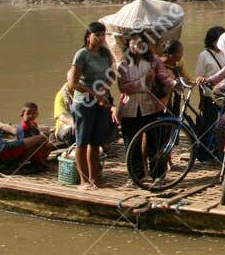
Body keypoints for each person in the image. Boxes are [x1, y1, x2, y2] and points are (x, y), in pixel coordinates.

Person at [115, 31, 174, 179]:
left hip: (152, 106)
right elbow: (123, 87)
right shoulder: (123, 64)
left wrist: (174, 83)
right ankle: (137, 176)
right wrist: (143, 81)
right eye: (133, 43)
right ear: (128, 46)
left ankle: (158, 175)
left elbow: (163, 76)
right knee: (132, 145)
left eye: (140, 43)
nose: (137, 46)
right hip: (130, 109)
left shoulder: (154, 60)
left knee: (155, 143)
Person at [67, 21, 115, 190]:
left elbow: (111, 76)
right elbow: (73, 83)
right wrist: (95, 94)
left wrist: (104, 91)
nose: (101, 38)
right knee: (82, 141)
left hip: (101, 102)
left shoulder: (105, 54)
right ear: (89, 36)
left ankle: (95, 179)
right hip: (84, 103)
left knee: (96, 142)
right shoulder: (81, 54)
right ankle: (83, 180)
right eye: (98, 35)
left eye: (103, 35)